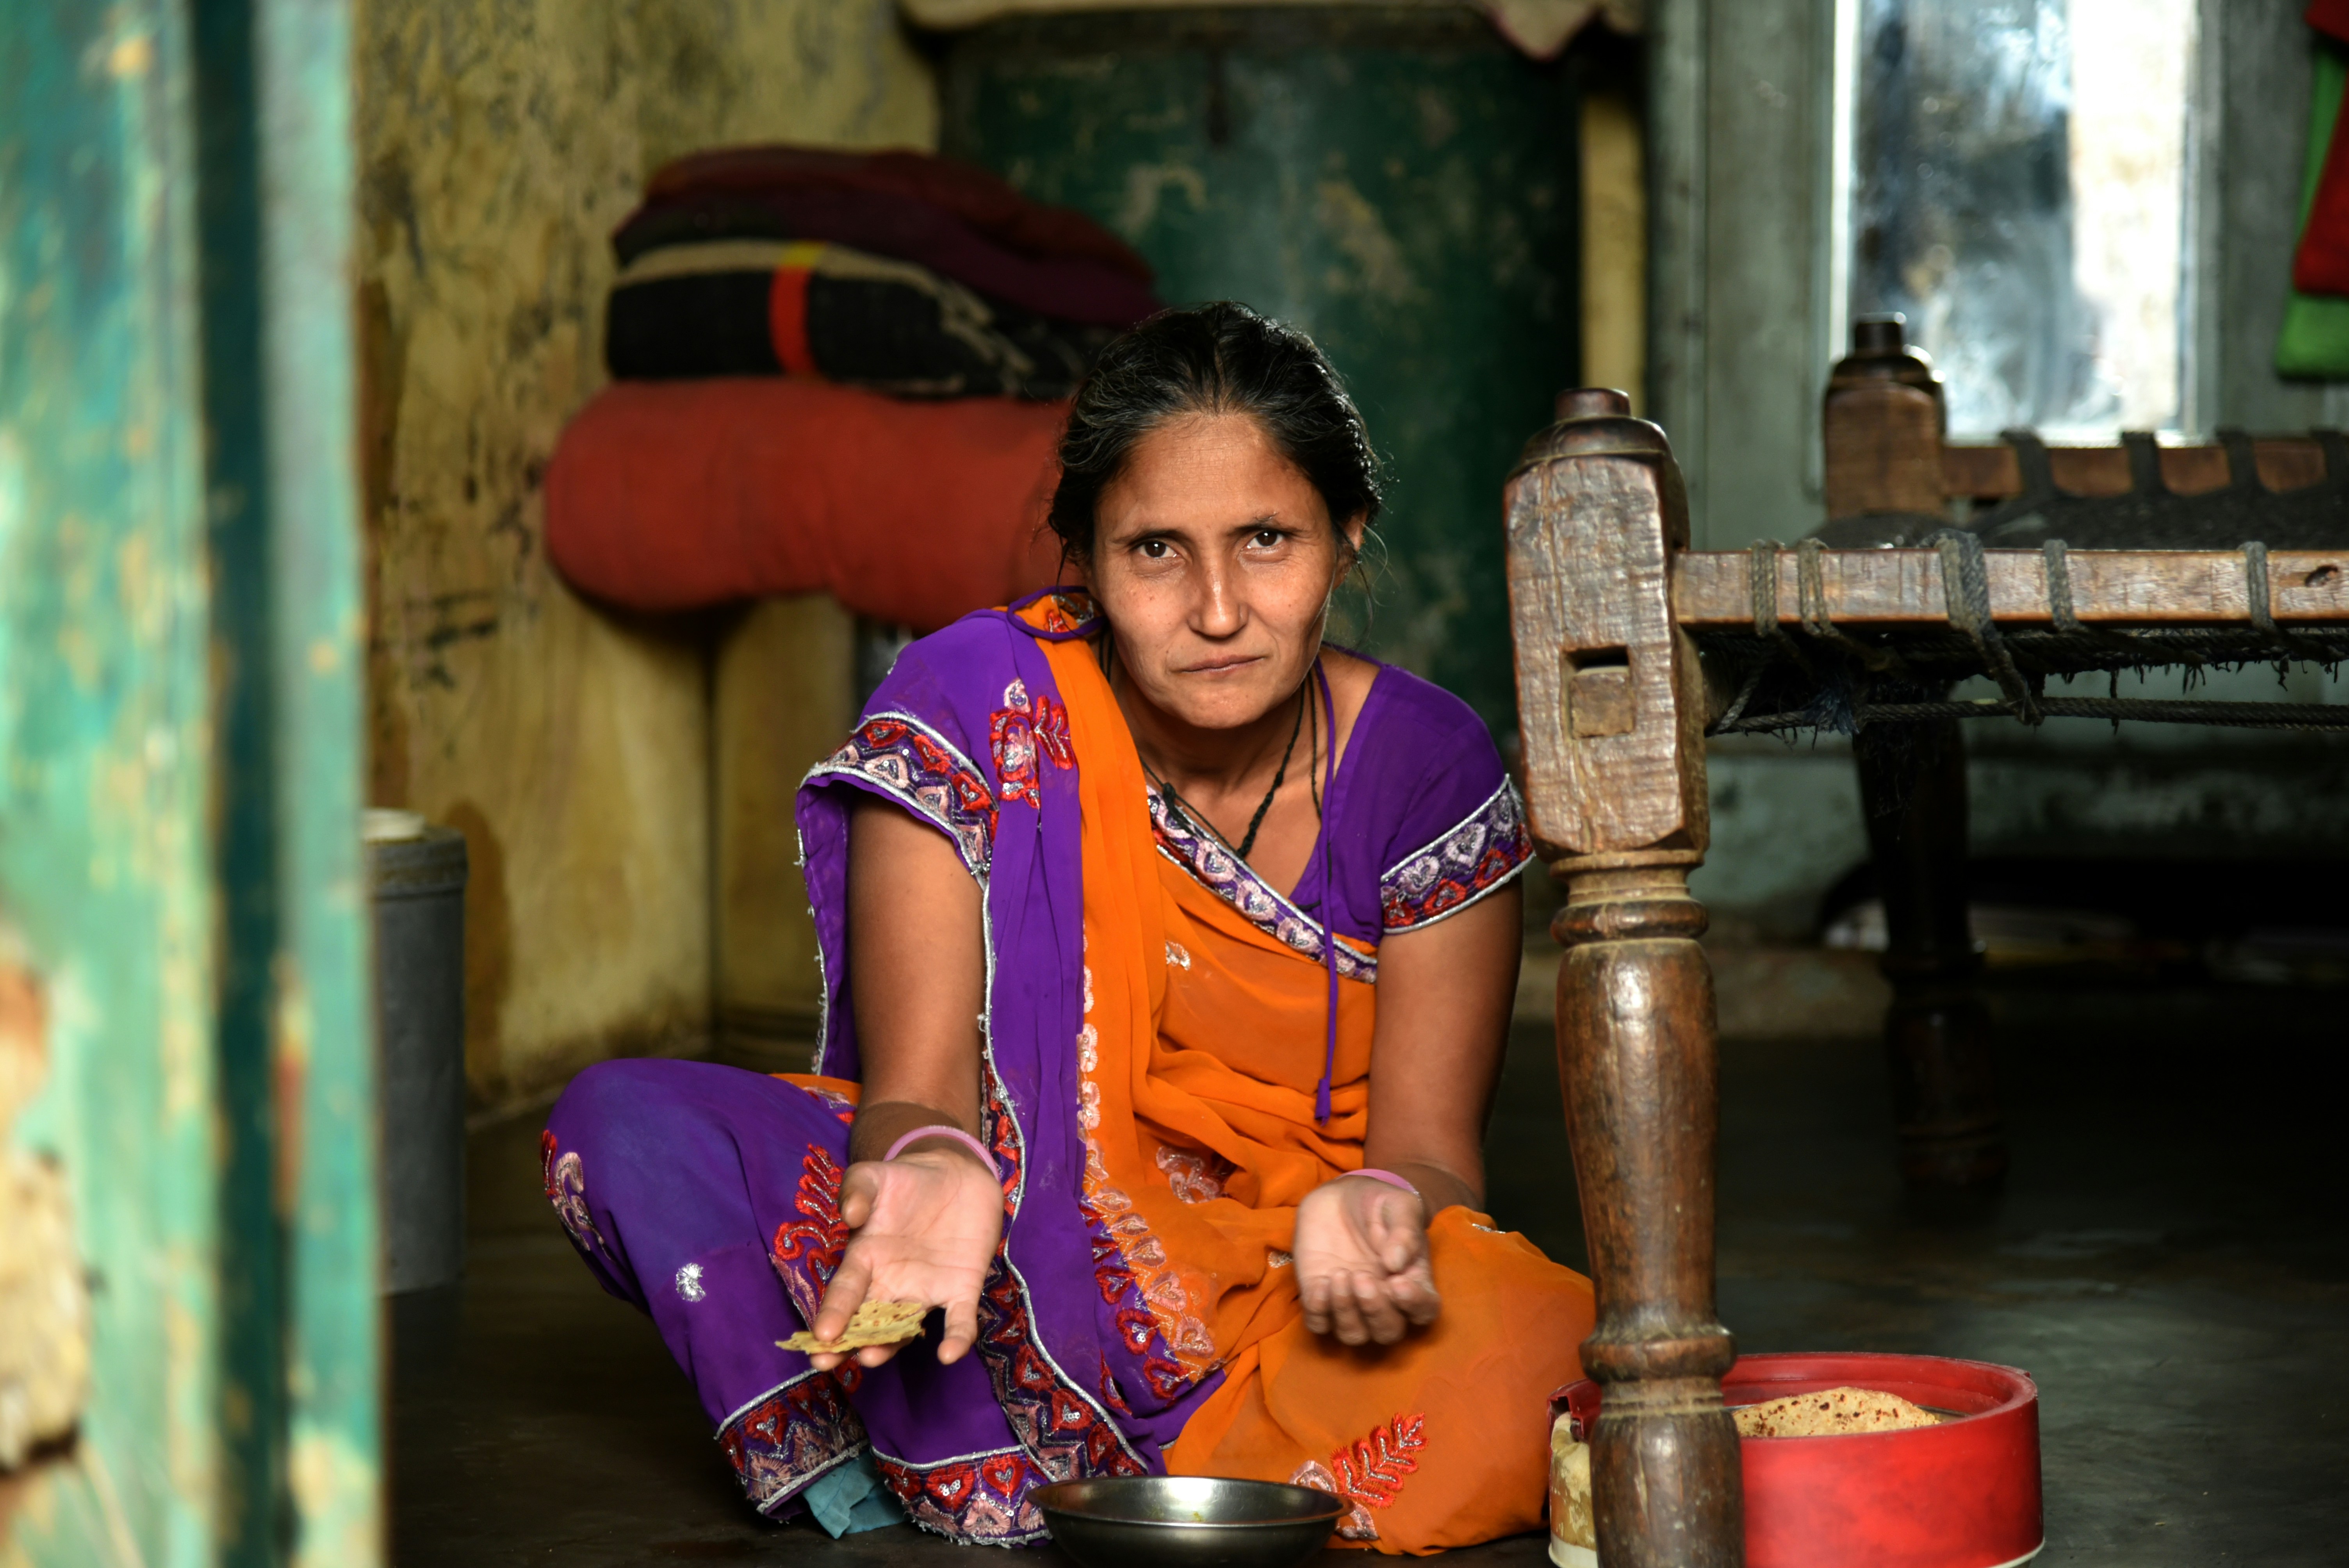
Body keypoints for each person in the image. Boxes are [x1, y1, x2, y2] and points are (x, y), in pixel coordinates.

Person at [544, 302, 1594, 1552]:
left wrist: (1382, 1205)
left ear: (1346, 537)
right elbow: (917, 1088)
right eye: (1156, 551)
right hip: (997, 1222)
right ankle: (965, 1445)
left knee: (1544, 1344)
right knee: (626, 1131)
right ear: (1088, 561)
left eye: (1266, 539)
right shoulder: (977, 708)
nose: (1217, 611)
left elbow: (1431, 1155)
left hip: (1280, 1285)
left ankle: (1026, 1454)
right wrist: (933, 1160)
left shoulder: (1426, 769)